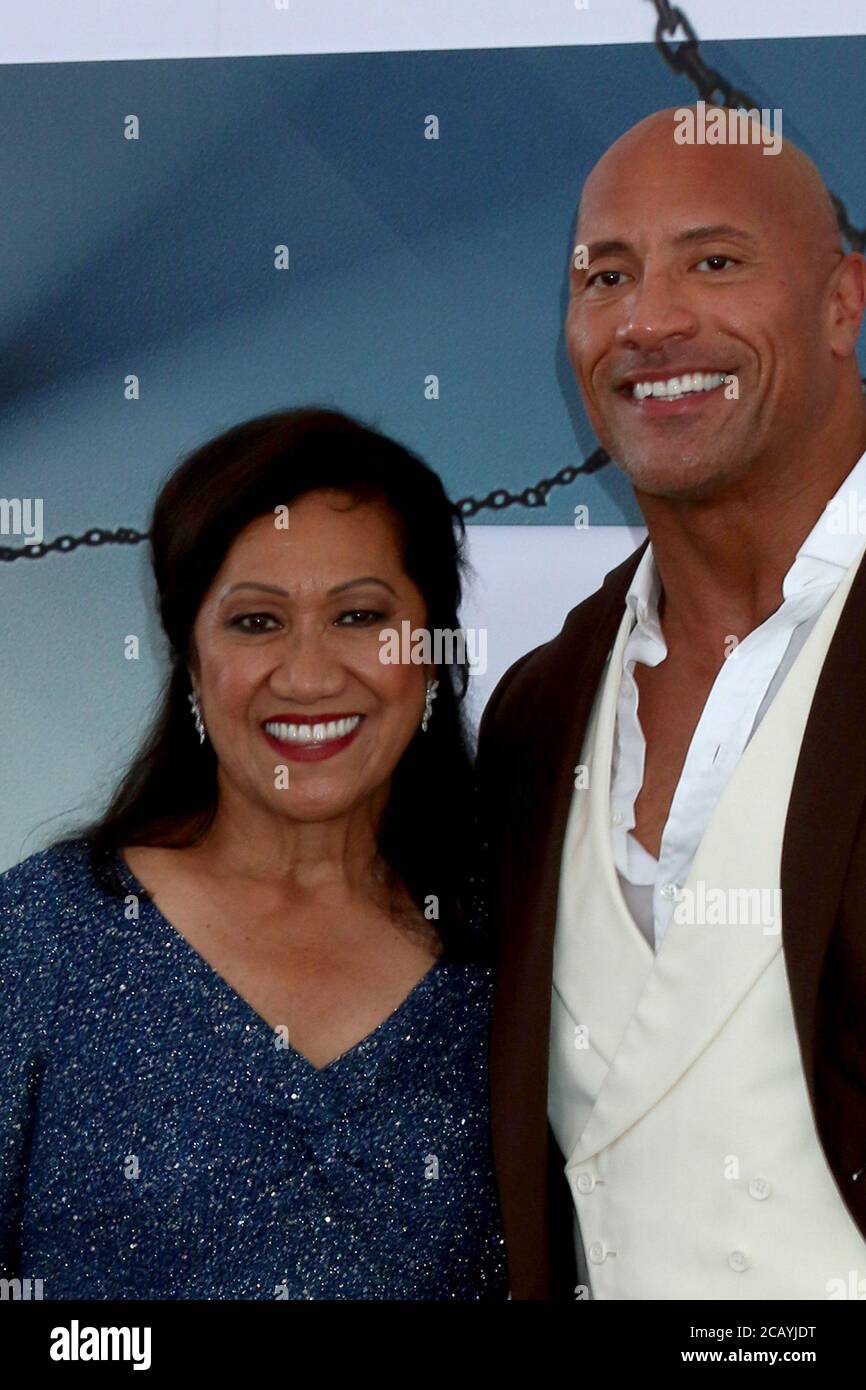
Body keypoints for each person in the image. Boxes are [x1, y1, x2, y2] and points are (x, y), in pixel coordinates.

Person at [477, 106, 866, 1299]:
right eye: (605, 275)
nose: (647, 321)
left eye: (713, 260)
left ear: (843, 299)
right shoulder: (537, 714)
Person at [0, 407, 508, 1300]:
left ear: (430, 650)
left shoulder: (520, 950)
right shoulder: (42, 938)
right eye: (256, 623)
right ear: (192, 662)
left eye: (358, 615)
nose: (308, 676)